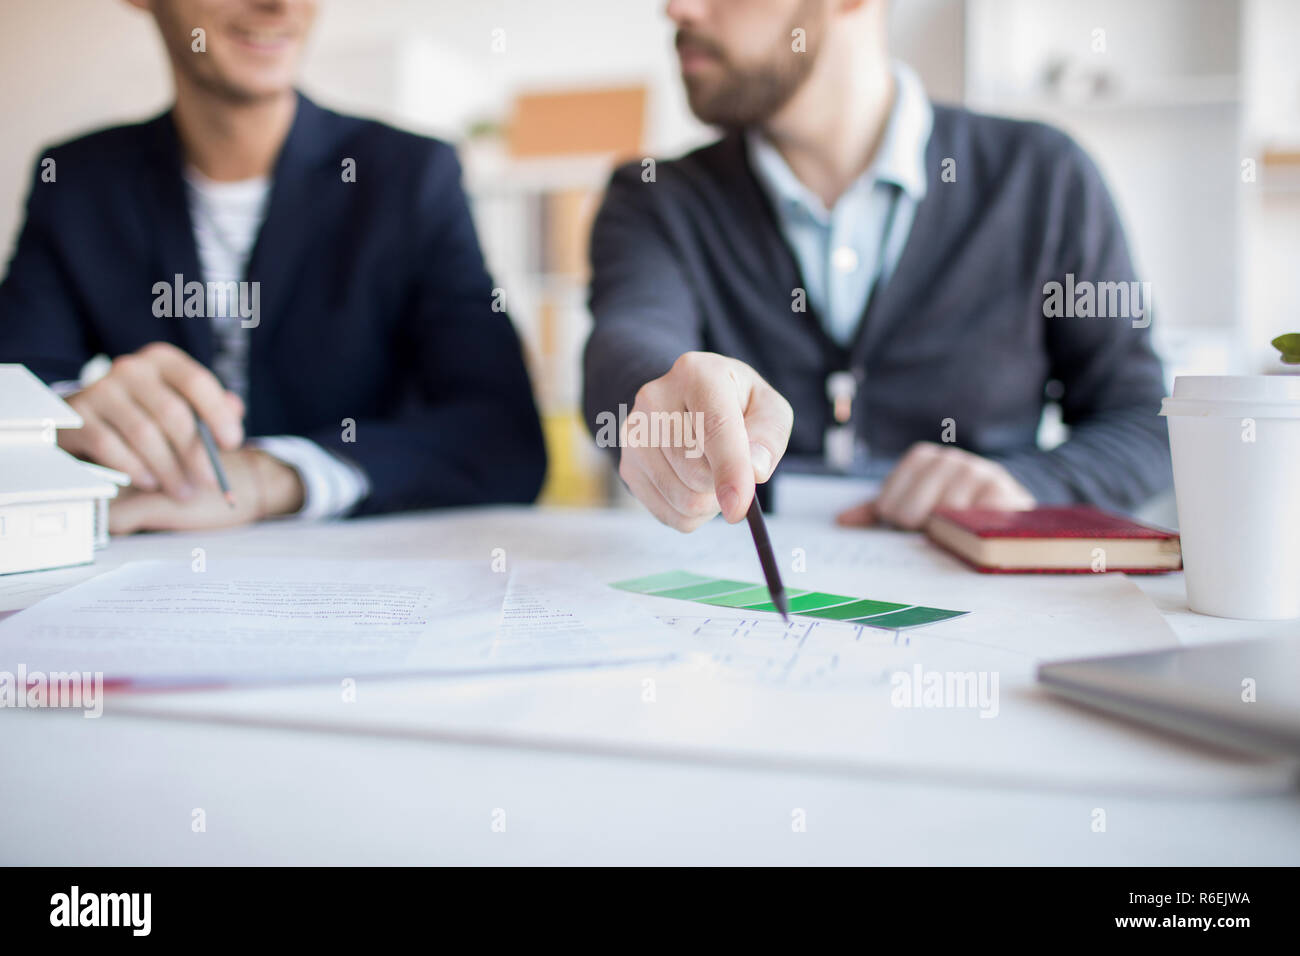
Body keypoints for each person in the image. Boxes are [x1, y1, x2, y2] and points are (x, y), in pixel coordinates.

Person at [583, 0, 1171, 532]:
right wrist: (661, 394)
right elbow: (628, 340)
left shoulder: (1042, 177)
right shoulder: (655, 197)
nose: (676, 8)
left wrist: (1026, 488)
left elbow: (1145, 420)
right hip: (737, 614)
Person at [0, 0, 546, 533]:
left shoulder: (408, 175)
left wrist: (274, 479)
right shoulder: (76, 182)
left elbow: (502, 437)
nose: (278, 5)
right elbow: (17, 388)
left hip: (356, 576)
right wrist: (68, 418)